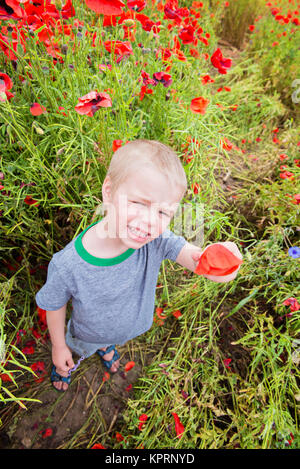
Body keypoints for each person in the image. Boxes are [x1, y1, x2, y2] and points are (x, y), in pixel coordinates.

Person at [35, 139, 242, 391]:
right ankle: (63, 367)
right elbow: (54, 306)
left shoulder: (156, 241)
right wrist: (58, 346)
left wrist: (221, 261)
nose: (149, 222)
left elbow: (199, 262)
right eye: (139, 203)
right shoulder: (68, 265)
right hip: (85, 335)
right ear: (109, 191)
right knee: (75, 353)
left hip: (127, 327)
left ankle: (106, 346)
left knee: (111, 340)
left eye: (163, 213)